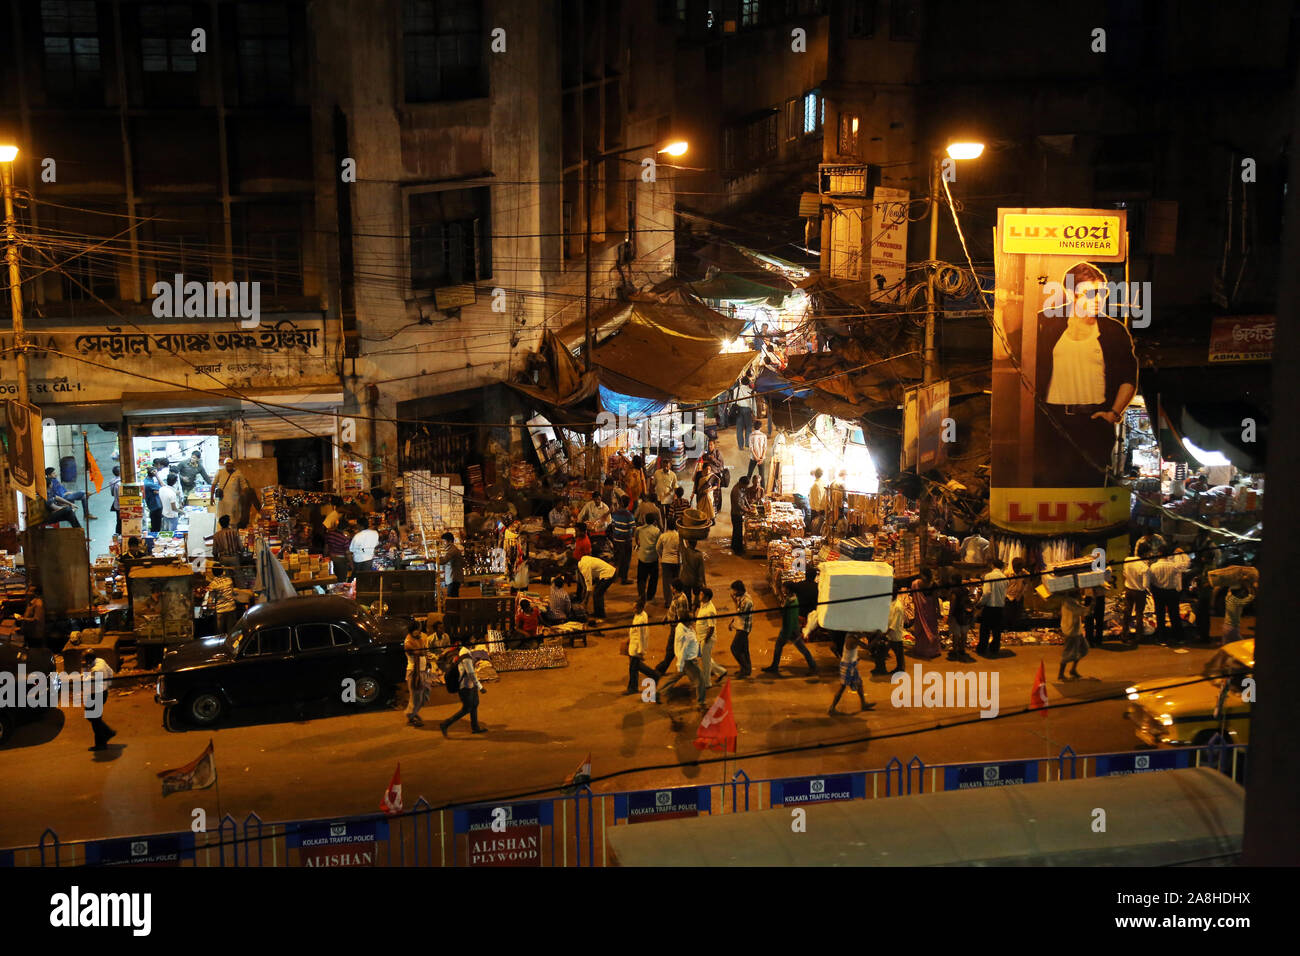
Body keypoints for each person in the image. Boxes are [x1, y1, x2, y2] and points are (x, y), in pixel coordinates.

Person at [1016, 261, 1139, 487]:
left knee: (1089, 488)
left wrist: (1113, 413)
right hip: (1052, 422)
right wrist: (1004, 307)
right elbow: (1010, 351)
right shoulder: (1047, 323)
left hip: (1094, 424)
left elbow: (1128, 378)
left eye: (1102, 293)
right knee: (1047, 486)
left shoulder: (1113, 331)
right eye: (1089, 294)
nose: (1098, 300)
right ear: (1071, 294)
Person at [656, 610, 707, 710]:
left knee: (675, 677)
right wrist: (681, 663)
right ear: (686, 621)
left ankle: (659, 691)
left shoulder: (682, 627)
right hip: (688, 661)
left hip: (685, 660)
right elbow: (683, 649)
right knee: (700, 680)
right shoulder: (685, 635)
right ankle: (701, 702)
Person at [762, 582, 817, 676]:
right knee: (800, 648)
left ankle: (775, 666)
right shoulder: (792, 599)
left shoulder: (792, 602)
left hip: (790, 630)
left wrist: (787, 633)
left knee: (784, 647)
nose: (782, 589)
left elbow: (790, 618)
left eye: (784, 587)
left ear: (788, 589)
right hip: (791, 629)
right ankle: (812, 666)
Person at [439, 644, 486, 735]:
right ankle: (445, 724)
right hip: (465, 686)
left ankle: (475, 727)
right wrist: (480, 687)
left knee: (475, 704)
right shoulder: (466, 656)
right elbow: (471, 673)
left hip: (470, 685)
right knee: (467, 708)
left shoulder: (464, 652)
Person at [829, 633, 876, 716]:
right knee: (842, 687)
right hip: (847, 666)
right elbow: (867, 647)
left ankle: (863, 704)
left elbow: (862, 635)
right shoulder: (852, 639)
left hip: (851, 664)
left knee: (859, 684)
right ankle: (832, 708)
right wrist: (878, 636)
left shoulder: (850, 635)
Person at [82, 649, 116, 752]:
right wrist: (107, 686)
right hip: (102, 693)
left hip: (95, 695)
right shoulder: (101, 661)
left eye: (84, 659)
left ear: (89, 660)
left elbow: (85, 681)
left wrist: (84, 668)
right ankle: (107, 733)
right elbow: (110, 672)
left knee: (95, 720)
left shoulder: (95, 670)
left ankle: (101, 743)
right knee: (93, 717)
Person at [1148, 548, 1184, 646]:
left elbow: (1150, 581)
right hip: (1172, 592)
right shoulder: (1174, 566)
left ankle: (1161, 638)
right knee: (1174, 615)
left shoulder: (1153, 567)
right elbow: (1178, 581)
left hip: (1159, 592)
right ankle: (1178, 637)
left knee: (1160, 615)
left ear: (1159, 554)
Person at [656, 580, 692, 675]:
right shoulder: (676, 596)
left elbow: (681, 617)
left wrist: (678, 631)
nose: (670, 588)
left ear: (675, 588)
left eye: (671, 586)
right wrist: (666, 618)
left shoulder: (681, 600)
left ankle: (661, 668)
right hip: (674, 626)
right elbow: (672, 610)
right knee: (673, 649)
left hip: (676, 628)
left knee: (671, 649)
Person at [625, 599, 661, 695]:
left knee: (633, 668)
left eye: (635, 607)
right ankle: (653, 676)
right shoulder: (642, 614)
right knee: (636, 666)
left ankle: (634, 687)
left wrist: (640, 652)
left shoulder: (641, 620)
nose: (633, 609)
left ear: (640, 608)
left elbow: (641, 636)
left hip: (636, 647)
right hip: (634, 644)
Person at [976, 558, 1009, 658]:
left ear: (992, 565)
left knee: (985, 629)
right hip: (1000, 607)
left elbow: (987, 592)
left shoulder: (989, 576)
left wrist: (980, 603)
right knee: (996, 630)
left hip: (990, 607)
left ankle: (982, 648)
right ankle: (994, 648)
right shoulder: (1005, 578)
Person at [211, 458, 255, 530]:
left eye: (230, 464)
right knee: (222, 522)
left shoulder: (238, 473)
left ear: (233, 465)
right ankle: (223, 537)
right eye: (227, 464)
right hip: (222, 503)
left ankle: (232, 537)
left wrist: (243, 495)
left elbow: (245, 486)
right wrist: (211, 497)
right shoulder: (220, 472)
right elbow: (213, 484)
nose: (228, 466)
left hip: (234, 502)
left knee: (233, 522)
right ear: (225, 465)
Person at [696, 587, 727, 686]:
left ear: (706, 597)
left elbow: (711, 627)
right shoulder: (703, 604)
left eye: (701, 594)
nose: (699, 596)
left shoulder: (710, 610)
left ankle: (706, 683)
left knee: (705, 663)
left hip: (706, 639)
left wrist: (705, 640)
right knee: (706, 658)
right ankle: (721, 671)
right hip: (700, 637)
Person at [404, 621, 433, 726]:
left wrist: (428, 664)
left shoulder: (419, 638)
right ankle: (410, 717)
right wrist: (417, 677)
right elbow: (418, 656)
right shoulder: (408, 642)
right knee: (416, 697)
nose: (419, 631)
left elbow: (424, 652)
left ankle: (413, 713)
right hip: (414, 672)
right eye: (417, 629)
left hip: (423, 670)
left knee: (425, 695)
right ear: (412, 630)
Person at [909, 569, 941, 659]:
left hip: (926, 610)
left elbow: (935, 599)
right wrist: (938, 611)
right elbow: (935, 599)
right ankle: (929, 650)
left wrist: (938, 611)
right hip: (925, 610)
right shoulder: (917, 584)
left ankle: (925, 650)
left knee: (928, 628)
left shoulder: (916, 584)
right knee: (924, 628)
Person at [1121, 551, 1151, 645]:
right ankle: (1138, 637)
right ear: (1146, 554)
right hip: (1139, 592)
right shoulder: (1144, 567)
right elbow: (1146, 584)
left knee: (1127, 612)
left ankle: (1124, 635)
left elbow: (1124, 574)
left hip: (1128, 589)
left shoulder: (1127, 560)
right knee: (1139, 614)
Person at [1057, 590, 1089, 681]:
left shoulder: (1071, 601)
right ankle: (1061, 674)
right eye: (1079, 592)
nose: (1080, 593)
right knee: (1068, 653)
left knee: (1082, 649)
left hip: (1077, 630)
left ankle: (1073, 670)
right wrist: (1092, 605)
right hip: (1071, 631)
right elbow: (1082, 611)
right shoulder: (1070, 603)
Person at [945, 570, 975, 662]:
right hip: (965, 615)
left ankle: (954, 651)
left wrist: (949, 616)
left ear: (954, 581)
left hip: (956, 615)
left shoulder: (954, 591)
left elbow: (953, 604)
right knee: (964, 633)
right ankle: (962, 649)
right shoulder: (965, 589)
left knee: (956, 634)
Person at [727, 580, 754, 677]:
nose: (733, 592)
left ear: (739, 590)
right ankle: (746, 669)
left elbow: (740, 614)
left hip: (744, 628)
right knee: (744, 649)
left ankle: (745, 668)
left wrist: (734, 602)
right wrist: (732, 623)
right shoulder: (741, 598)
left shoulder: (747, 601)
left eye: (734, 590)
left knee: (734, 648)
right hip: (740, 626)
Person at [577, 553, 617, 619]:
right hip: (609, 572)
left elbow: (589, 587)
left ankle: (601, 614)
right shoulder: (584, 559)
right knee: (597, 593)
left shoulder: (584, 568)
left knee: (597, 594)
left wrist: (585, 601)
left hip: (608, 575)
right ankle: (598, 613)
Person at [634, 512, 662, 603]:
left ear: (645, 520)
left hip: (642, 557)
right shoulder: (657, 531)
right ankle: (650, 595)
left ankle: (641, 595)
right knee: (653, 578)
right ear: (654, 521)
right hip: (653, 557)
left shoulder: (639, 529)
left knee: (641, 578)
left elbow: (636, 538)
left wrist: (638, 544)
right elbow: (659, 545)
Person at [608, 495, 635, 584]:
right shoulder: (629, 515)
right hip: (626, 540)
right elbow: (633, 528)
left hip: (616, 539)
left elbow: (612, 525)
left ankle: (614, 577)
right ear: (628, 504)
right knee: (626, 560)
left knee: (617, 559)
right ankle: (623, 578)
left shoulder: (615, 513)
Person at [656, 521, 681, 609]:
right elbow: (682, 548)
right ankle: (677, 601)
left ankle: (668, 602)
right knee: (677, 582)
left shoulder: (663, 536)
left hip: (666, 562)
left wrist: (662, 556)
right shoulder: (679, 536)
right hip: (677, 561)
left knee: (667, 583)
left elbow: (657, 548)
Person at [677, 536, 707, 608]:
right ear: (696, 543)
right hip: (695, 580)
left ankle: (689, 609)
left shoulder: (684, 551)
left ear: (687, 543)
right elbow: (701, 571)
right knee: (697, 596)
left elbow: (680, 542)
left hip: (685, 579)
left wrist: (681, 532)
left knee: (687, 598)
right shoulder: (699, 555)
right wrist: (704, 582)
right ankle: (694, 609)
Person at [204, 569, 237, 633]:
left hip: (220, 611)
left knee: (220, 633)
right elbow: (233, 593)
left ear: (213, 573)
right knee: (231, 632)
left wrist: (208, 610)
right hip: (231, 608)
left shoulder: (213, 584)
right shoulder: (229, 580)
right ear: (222, 571)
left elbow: (210, 600)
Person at [730, 475, 752, 555]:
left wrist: (749, 507)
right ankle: (737, 550)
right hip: (736, 513)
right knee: (738, 532)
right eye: (745, 485)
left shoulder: (741, 488)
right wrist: (747, 510)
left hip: (739, 513)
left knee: (737, 531)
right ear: (741, 483)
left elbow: (744, 498)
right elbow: (738, 505)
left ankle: (734, 546)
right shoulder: (736, 491)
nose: (746, 487)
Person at [733, 374, 756, 452]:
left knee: (739, 429)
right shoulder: (751, 390)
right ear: (748, 383)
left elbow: (733, 400)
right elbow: (753, 402)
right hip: (747, 410)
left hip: (738, 410)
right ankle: (747, 443)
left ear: (741, 382)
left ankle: (740, 446)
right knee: (748, 427)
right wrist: (754, 412)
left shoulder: (736, 389)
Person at [1004, 557, 1028, 630]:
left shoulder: (1025, 573)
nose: (1018, 570)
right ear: (1013, 566)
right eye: (1017, 568)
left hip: (1019, 598)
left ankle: (1015, 634)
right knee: (1007, 618)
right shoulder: (1007, 573)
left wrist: (1022, 593)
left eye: (1020, 569)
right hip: (1008, 598)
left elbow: (1026, 584)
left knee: (1017, 619)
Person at [441, 532, 464, 598]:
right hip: (453, 578)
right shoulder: (451, 549)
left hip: (453, 578)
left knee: (452, 597)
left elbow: (443, 561)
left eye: (444, 541)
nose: (443, 544)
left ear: (450, 541)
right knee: (454, 596)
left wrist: (432, 560)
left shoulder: (452, 550)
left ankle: (454, 608)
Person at [143, 467, 163, 533]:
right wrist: (157, 475)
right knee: (156, 527)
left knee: (155, 524)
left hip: (153, 506)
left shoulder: (148, 480)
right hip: (155, 507)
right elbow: (163, 487)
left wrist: (157, 491)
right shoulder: (149, 484)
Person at [807, 468, 826, 534]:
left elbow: (817, 499)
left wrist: (818, 511)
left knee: (816, 529)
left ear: (815, 474)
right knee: (821, 529)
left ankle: (816, 542)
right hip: (822, 509)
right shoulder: (823, 483)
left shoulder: (815, 485)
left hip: (817, 511)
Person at [109, 465, 122, 535]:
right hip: (120, 505)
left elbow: (112, 494)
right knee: (121, 522)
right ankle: (118, 535)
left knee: (118, 521)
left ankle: (117, 535)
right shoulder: (119, 483)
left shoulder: (112, 481)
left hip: (116, 504)